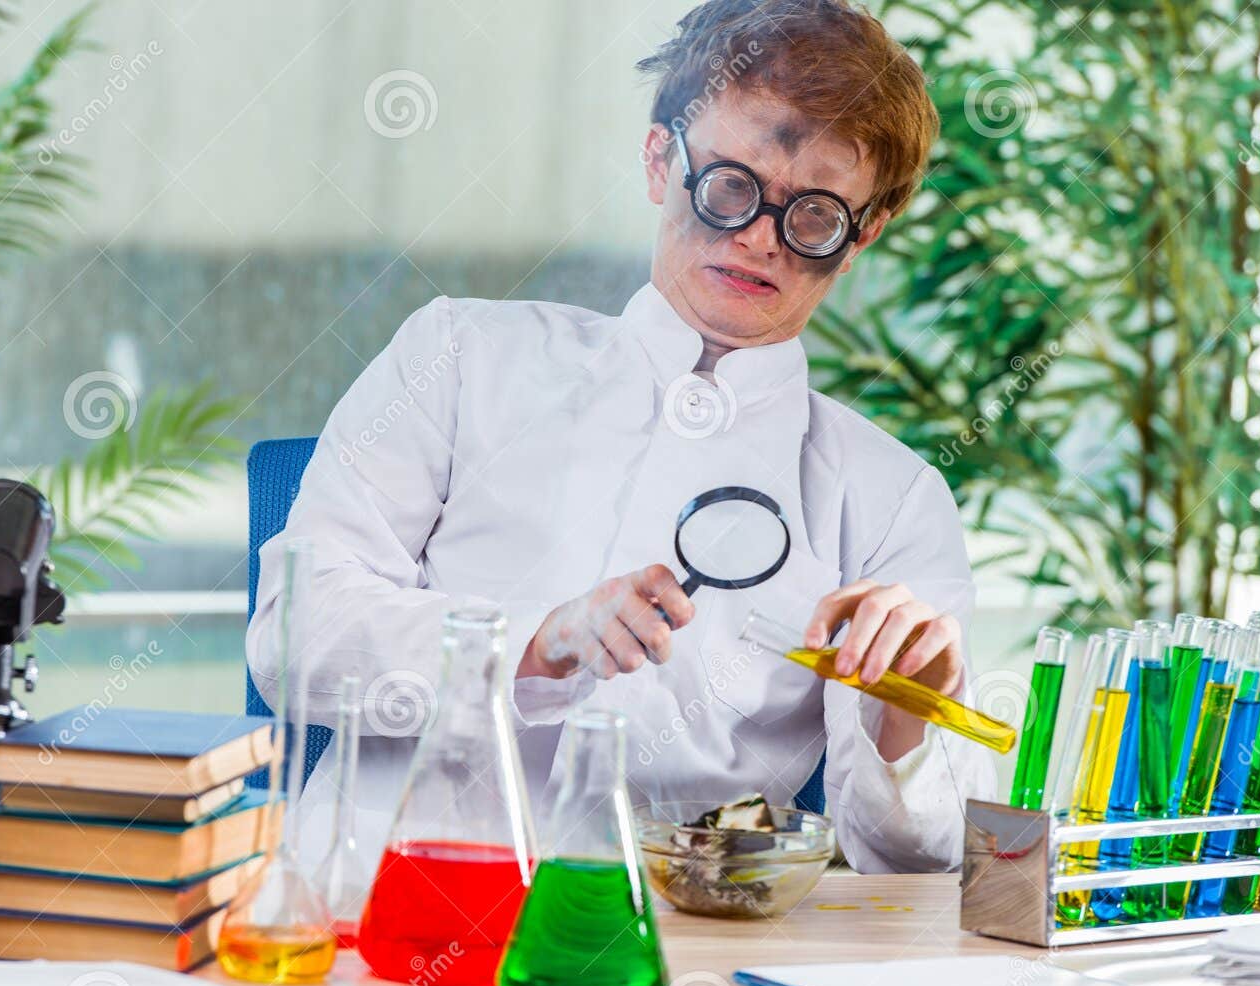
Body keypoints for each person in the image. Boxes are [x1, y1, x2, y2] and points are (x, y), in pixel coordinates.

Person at [249, 0, 995, 874]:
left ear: (861, 236)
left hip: (682, 935)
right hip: (385, 899)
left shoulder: (893, 499)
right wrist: (538, 640)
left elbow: (921, 864)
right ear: (658, 162)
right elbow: (294, 641)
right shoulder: (460, 355)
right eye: (730, 187)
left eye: (815, 218)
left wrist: (909, 718)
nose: (760, 240)